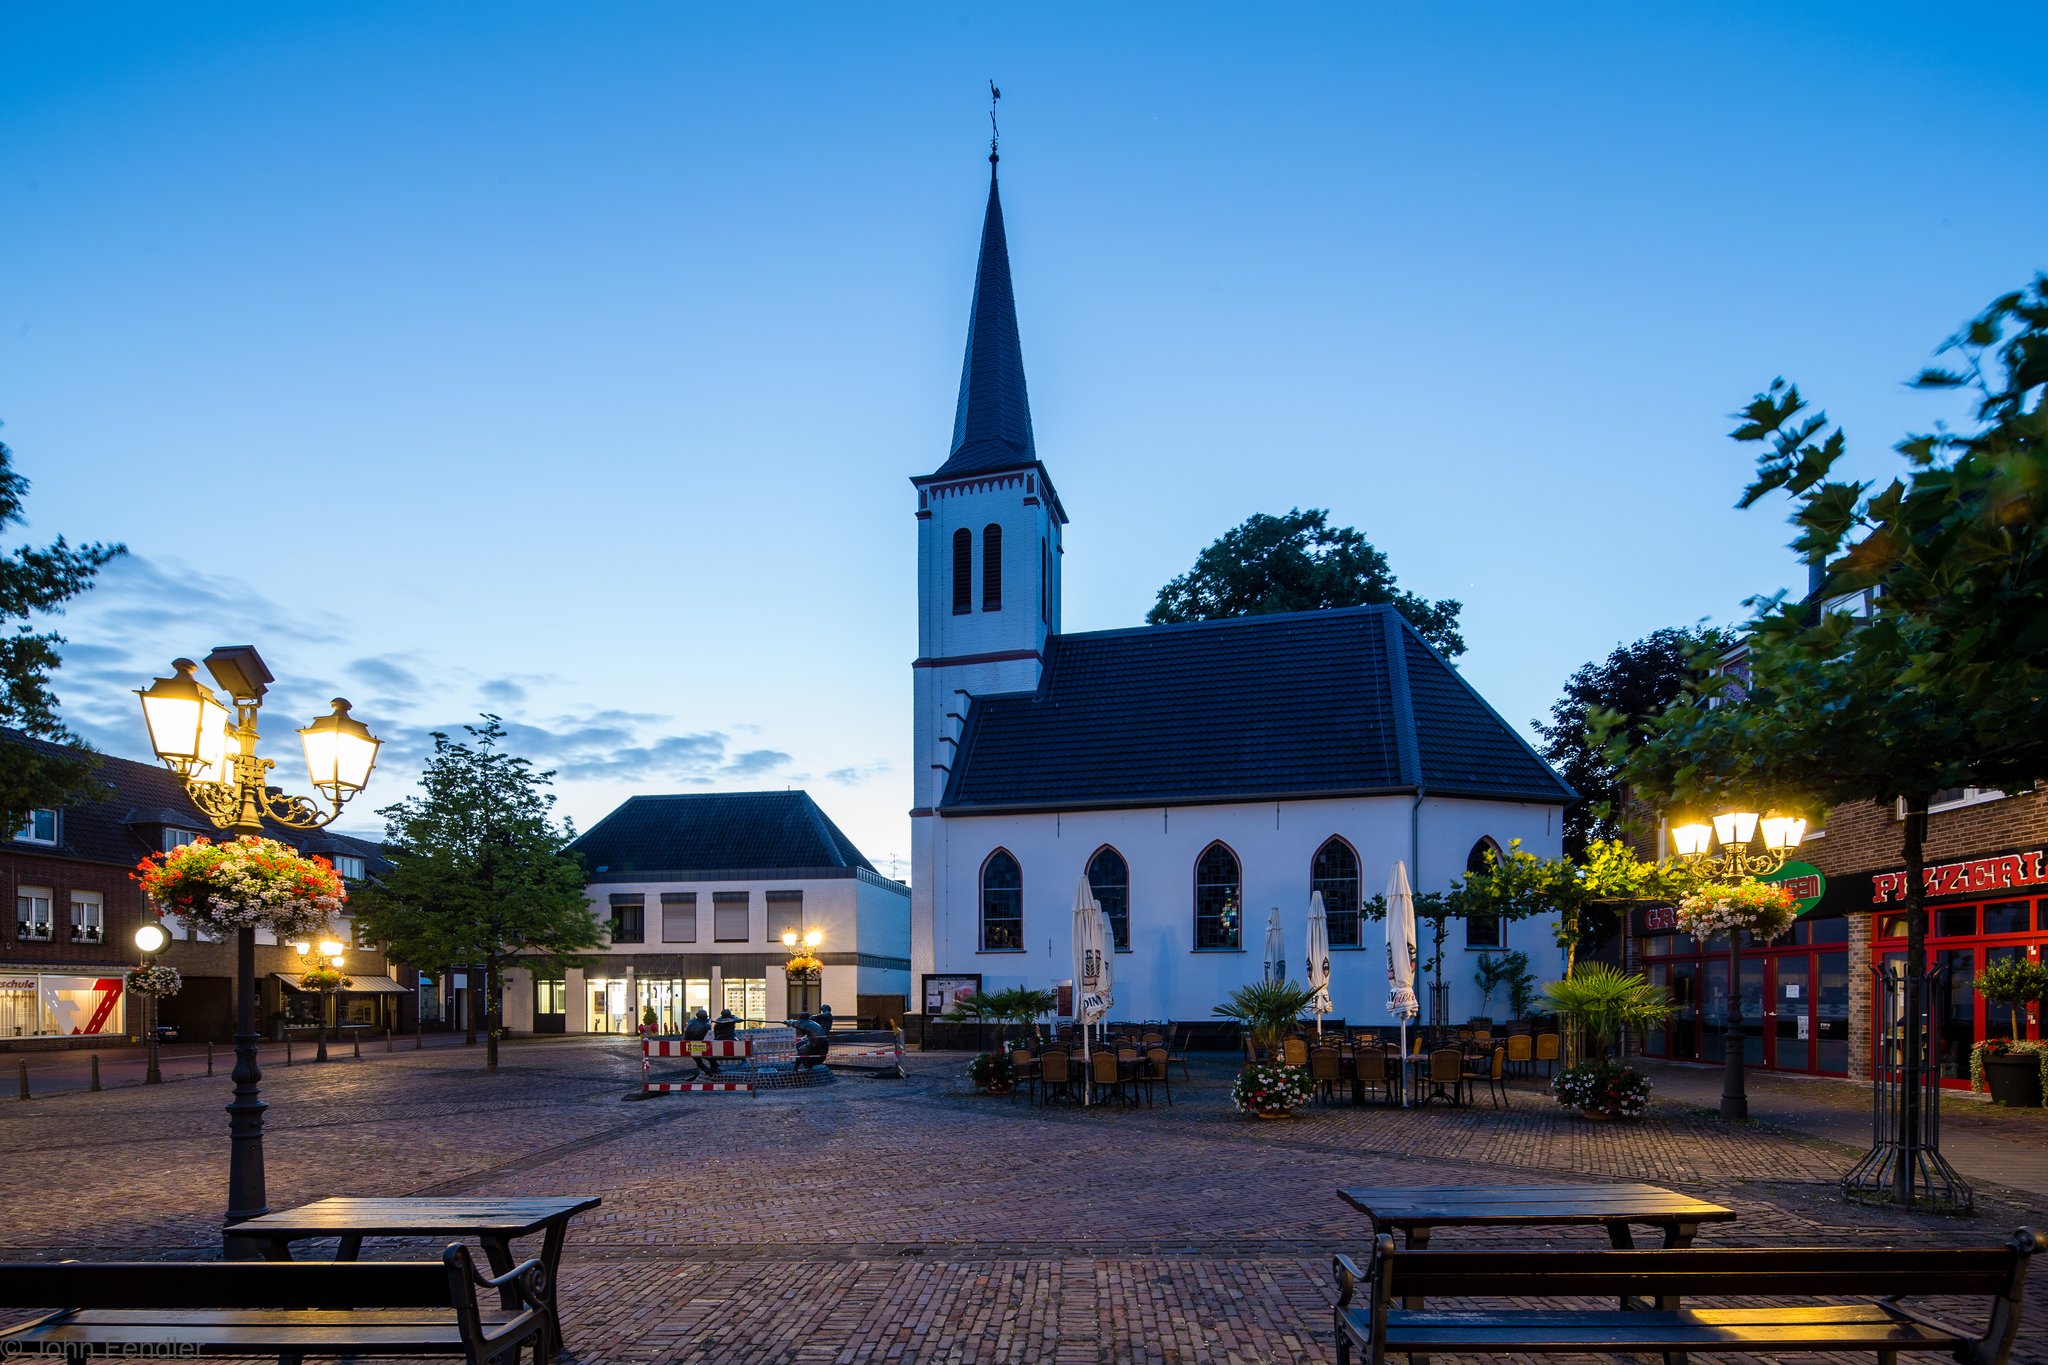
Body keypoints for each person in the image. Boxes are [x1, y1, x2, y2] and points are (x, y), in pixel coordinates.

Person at [683, 1006, 716, 1076]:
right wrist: (710, 1020)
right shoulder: (706, 1025)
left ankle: (708, 1071)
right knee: (711, 1058)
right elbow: (708, 1024)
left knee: (698, 1060)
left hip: (688, 1044)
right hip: (698, 1045)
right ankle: (712, 1071)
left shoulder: (692, 1021)